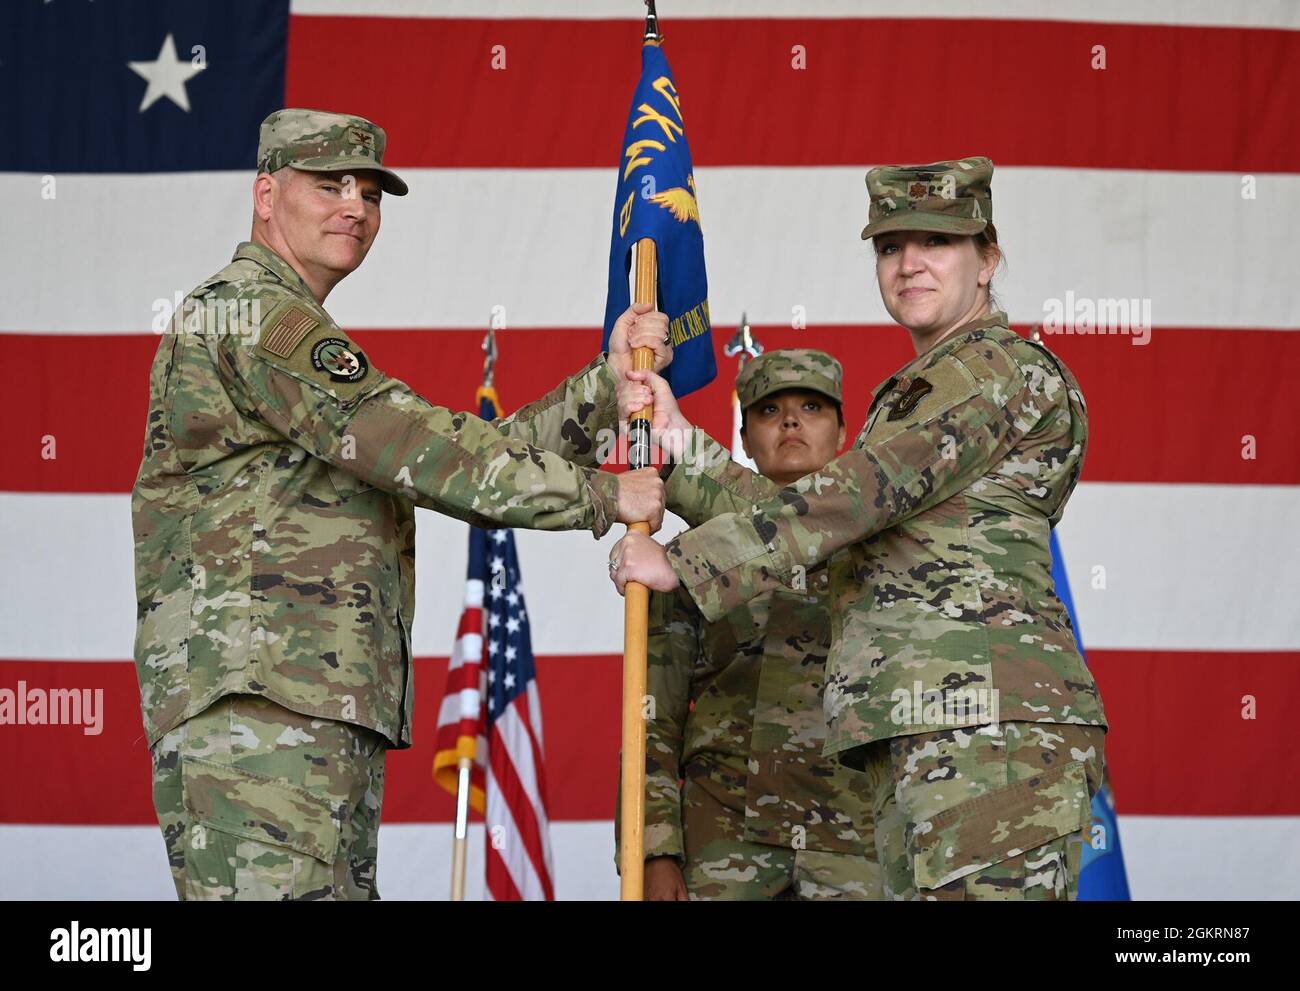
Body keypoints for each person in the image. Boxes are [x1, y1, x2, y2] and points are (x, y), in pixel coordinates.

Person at [132, 108, 669, 900]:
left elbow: (437, 456)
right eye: (330, 185)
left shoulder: (283, 326)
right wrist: (601, 493)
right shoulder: (250, 315)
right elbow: (420, 448)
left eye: (370, 191)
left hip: (305, 706)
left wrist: (603, 386)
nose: (355, 205)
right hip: (260, 712)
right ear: (266, 192)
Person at [611, 157, 1109, 901]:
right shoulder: (926, 386)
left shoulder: (994, 369)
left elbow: (860, 493)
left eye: (936, 243)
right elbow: (843, 507)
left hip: (986, 739)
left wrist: (684, 561)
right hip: (927, 734)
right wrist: (679, 442)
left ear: (988, 259)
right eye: (888, 245)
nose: (909, 263)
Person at [626, 349, 881, 901]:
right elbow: (651, 718)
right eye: (769, 411)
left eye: (811, 406)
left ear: (842, 430)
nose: (790, 421)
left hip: (854, 835)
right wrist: (655, 851)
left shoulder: (882, 544)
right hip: (724, 833)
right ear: (744, 433)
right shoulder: (687, 560)